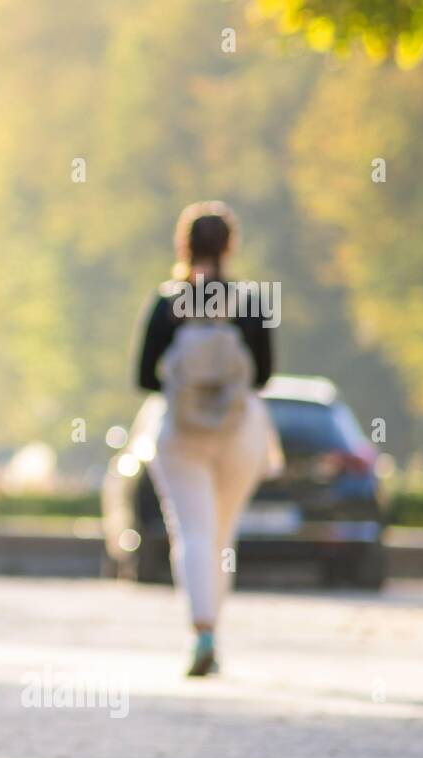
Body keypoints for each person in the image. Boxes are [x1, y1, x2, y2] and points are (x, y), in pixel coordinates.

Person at [134, 201, 282, 677]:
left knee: (192, 532)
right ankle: (214, 627)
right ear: (230, 245)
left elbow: (143, 376)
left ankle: (201, 633)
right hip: (239, 430)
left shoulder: (165, 301)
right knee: (222, 534)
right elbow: (263, 375)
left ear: (184, 244)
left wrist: (187, 391)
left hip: (180, 432)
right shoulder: (253, 300)